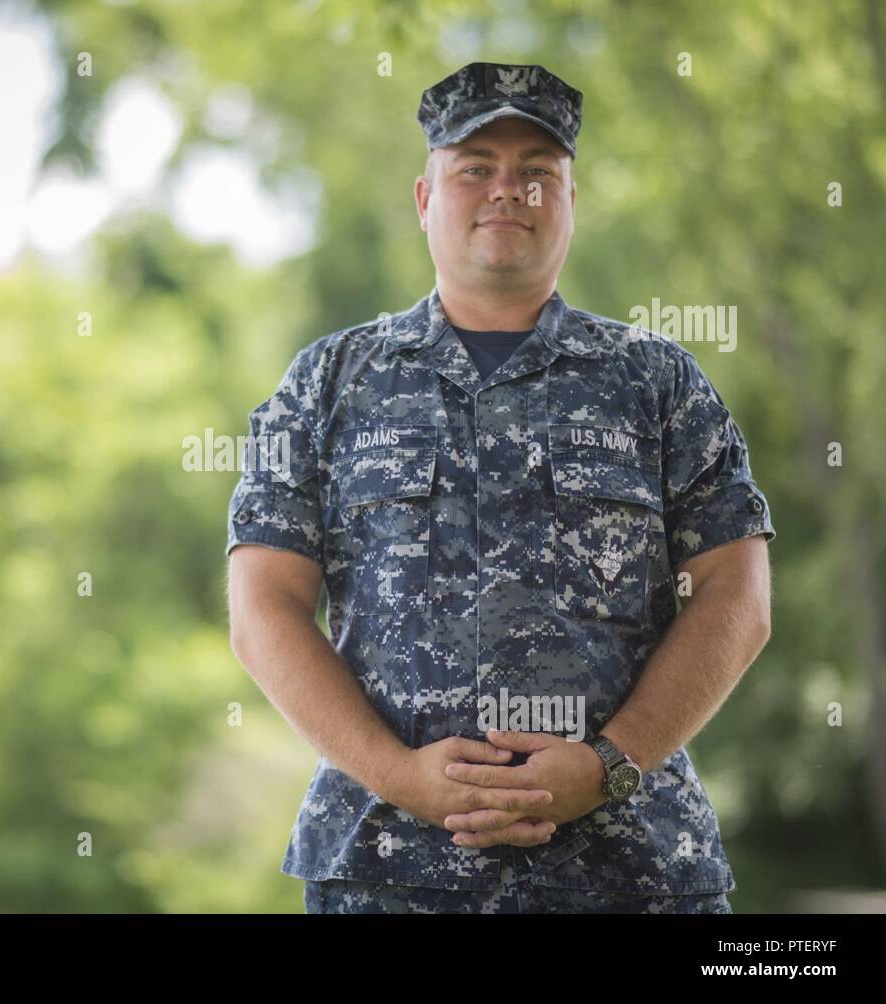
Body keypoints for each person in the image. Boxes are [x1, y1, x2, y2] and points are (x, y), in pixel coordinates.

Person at [225, 61, 775, 914]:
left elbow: (737, 597)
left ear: (570, 201)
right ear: (424, 198)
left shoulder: (657, 382)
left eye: (537, 172)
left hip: (631, 875)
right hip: (388, 871)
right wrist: (398, 775)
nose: (506, 190)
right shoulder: (327, 384)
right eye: (475, 167)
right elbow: (264, 608)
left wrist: (608, 764)